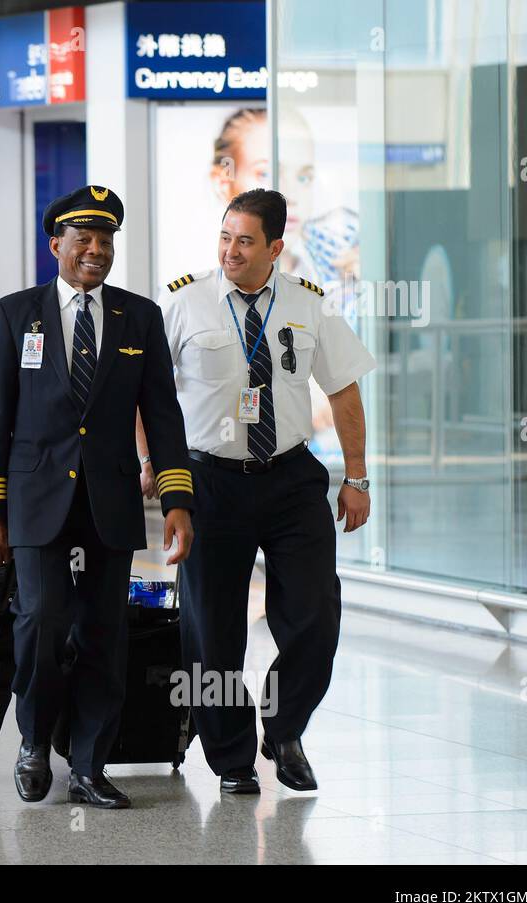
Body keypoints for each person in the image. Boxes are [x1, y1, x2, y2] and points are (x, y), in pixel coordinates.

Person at [145, 187, 375, 794]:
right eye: (225, 237)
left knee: (314, 618)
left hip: (292, 477)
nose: (231, 251)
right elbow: (145, 391)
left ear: (276, 247)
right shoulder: (184, 302)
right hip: (210, 481)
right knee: (211, 629)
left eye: (245, 241)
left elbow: (344, 390)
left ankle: (284, 725)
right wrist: (152, 464)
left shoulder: (309, 304)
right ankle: (232, 760)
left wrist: (356, 477)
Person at [0, 185, 194, 809]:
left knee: (105, 632)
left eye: (106, 241)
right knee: (40, 622)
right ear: (56, 246)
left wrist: (177, 498)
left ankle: (91, 766)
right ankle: (34, 743)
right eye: (84, 241)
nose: (96, 251)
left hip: (112, 500)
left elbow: (162, 412)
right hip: (36, 498)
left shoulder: (138, 317)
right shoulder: (16, 314)